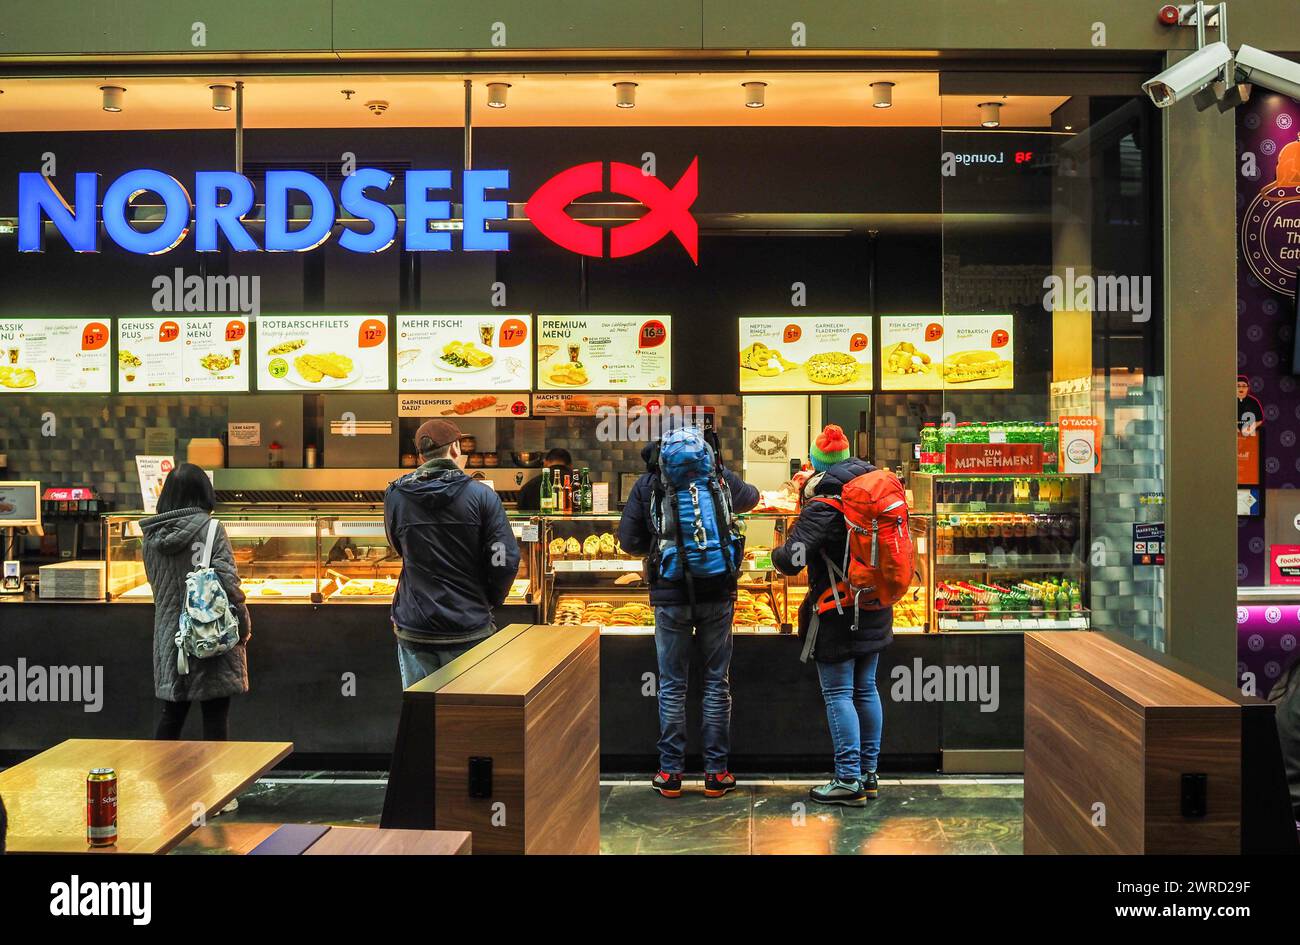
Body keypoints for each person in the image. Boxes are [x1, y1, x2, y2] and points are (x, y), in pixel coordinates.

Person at [618, 422, 759, 799]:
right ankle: (716, 774)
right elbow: (753, 499)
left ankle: (670, 774)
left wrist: (660, 540)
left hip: (669, 595)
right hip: (718, 592)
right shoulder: (717, 476)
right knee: (716, 684)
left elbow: (629, 542)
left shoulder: (648, 483)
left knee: (672, 685)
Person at [772, 424, 892, 807]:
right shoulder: (872, 489)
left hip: (837, 610)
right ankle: (868, 775)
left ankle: (847, 779)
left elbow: (790, 562)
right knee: (866, 688)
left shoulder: (823, 506)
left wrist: (781, 546)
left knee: (839, 692)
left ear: (818, 463)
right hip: (876, 603)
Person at [385, 418, 520, 688]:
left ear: (421, 456)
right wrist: (489, 600)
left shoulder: (395, 495)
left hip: (415, 628)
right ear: (456, 449)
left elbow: (397, 547)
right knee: (466, 716)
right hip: (467, 627)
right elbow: (505, 559)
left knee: (421, 713)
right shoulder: (482, 496)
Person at [141, 462, 250, 743]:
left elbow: (159, 586)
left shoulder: (151, 537)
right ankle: (215, 785)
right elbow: (229, 584)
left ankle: (164, 779)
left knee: (171, 715)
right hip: (209, 633)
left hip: (170, 638)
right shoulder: (211, 529)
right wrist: (244, 625)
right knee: (215, 717)